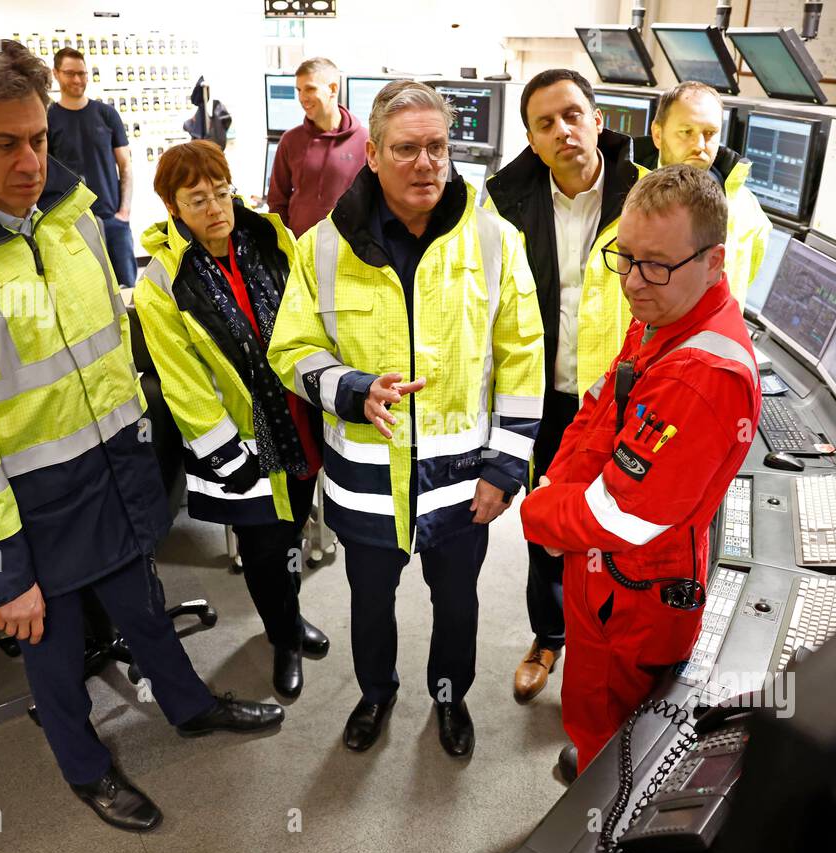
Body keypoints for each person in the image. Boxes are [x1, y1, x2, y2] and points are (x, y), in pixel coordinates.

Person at [0, 31, 283, 834]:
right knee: (52, 652)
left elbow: (105, 355)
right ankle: (86, 769)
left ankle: (190, 708)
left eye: (40, 137)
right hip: (30, 501)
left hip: (115, 468)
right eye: (5, 144)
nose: (30, 162)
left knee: (146, 611)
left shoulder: (70, 211)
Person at [268, 80, 544, 758]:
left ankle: (449, 701)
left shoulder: (494, 241)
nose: (426, 163)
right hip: (364, 479)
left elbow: (523, 359)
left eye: (437, 148)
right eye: (407, 149)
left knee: (456, 608)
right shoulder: (323, 248)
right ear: (372, 154)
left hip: (463, 483)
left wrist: (506, 468)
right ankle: (376, 693)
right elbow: (291, 350)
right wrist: (352, 388)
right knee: (370, 605)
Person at [520, 165, 761, 778]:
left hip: (634, 592)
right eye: (624, 257)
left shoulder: (703, 375)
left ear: (714, 262)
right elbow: (599, 409)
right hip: (598, 568)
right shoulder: (663, 312)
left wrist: (537, 513)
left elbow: (623, 514)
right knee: (590, 703)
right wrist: (556, 485)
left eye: (654, 263)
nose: (631, 281)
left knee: (618, 733)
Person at [134, 141, 330, 699]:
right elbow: (183, 381)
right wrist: (226, 456)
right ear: (173, 208)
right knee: (265, 551)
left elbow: (306, 316)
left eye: (222, 192)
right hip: (243, 443)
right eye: (198, 200)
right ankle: (282, 636)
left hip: (298, 422)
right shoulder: (162, 281)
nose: (216, 207)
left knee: (292, 531)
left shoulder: (270, 238)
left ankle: (291, 618)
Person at [485, 69, 648, 704]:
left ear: (598, 119)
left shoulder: (644, 195)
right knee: (546, 519)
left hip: (623, 394)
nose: (564, 131)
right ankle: (547, 637)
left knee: (622, 524)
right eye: (546, 123)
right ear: (530, 138)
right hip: (543, 395)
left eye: (574, 115)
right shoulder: (503, 205)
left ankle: (611, 650)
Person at [646, 81, 771, 308]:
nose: (700, 145)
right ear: (657, 134)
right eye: (686, 132)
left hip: (714, 340)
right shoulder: (624, 195)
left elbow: (746, 278)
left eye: (710, 133)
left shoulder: (746, 210)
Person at [47, 46, 137, 285]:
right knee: (88, 290)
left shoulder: (107, 114)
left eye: (82, 73)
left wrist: (124, 213)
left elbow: (125, 165)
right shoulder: (49, 119)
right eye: (70, 73)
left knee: (128, 290)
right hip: (73, 225)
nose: (77, 79)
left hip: (113, 222)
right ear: (56, 73)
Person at [267, 57, 369, 237]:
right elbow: (277, 202)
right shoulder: (290, 140)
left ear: (332, 89)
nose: (302, 98)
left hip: (349, 250)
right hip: (301, 250)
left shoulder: (365, 141)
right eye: (299, 90)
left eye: (310, 89)